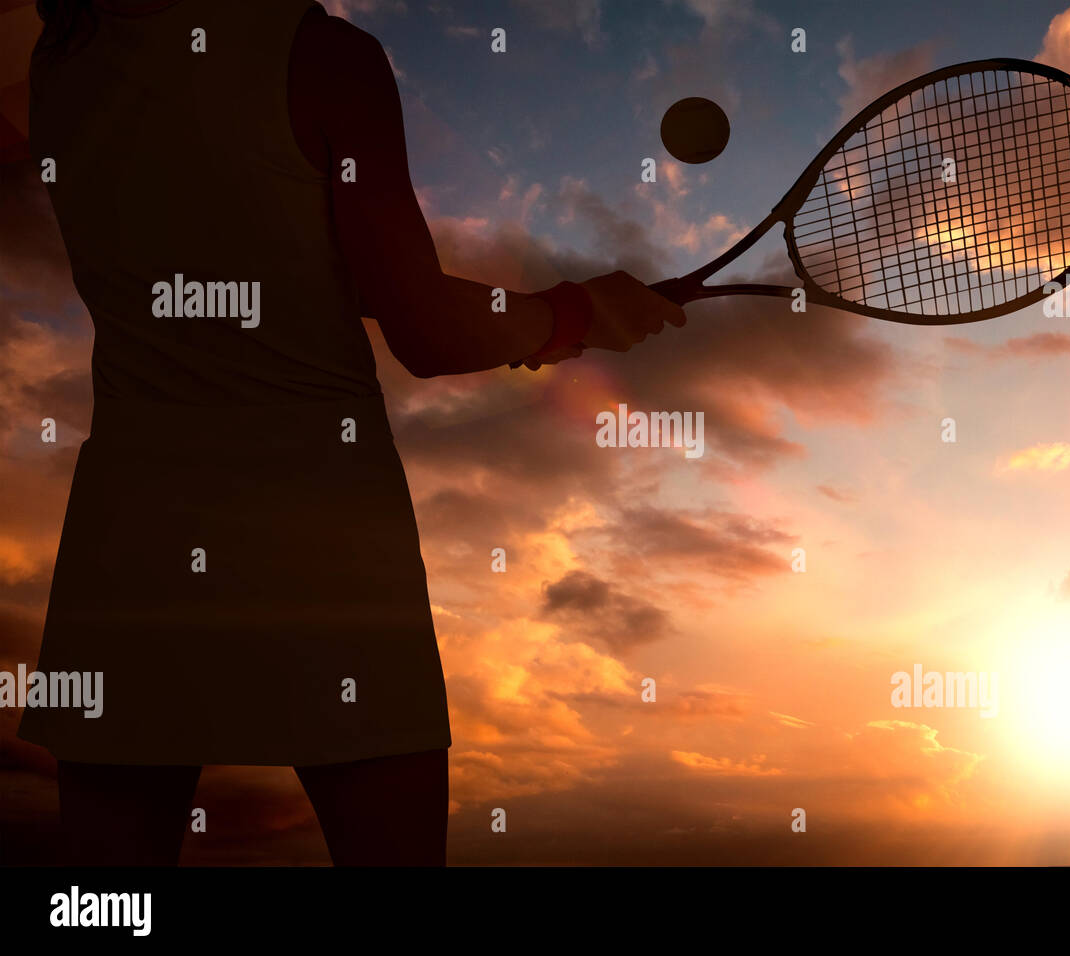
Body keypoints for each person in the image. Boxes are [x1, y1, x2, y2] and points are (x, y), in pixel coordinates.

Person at [17, 0, 685, 866]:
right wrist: (574, 313)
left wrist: (547, 317)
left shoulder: (60, 63)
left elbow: (281, 261)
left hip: (129, 532)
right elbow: (424, 330)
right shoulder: (325, 56)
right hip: (324, 525)